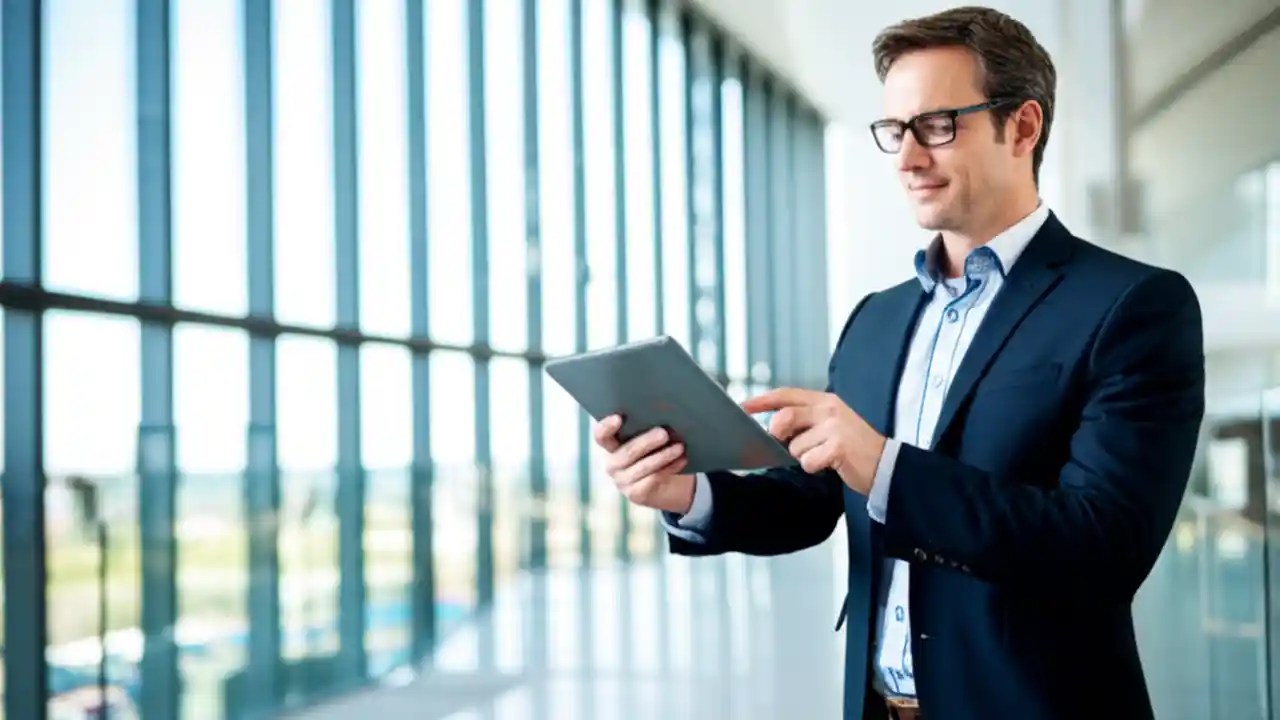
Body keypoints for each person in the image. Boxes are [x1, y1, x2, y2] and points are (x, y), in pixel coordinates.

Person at [592, 6, 1205, 720]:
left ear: (1024, 127)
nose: (909, 158)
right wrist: (687, 495)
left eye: (938, 126)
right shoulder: (876, 319)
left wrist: (885, 465)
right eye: (895, 130)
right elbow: (813, 500)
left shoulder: (1132, 306)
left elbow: (1102, 546)